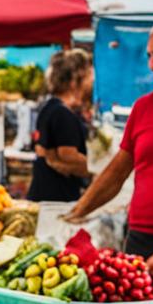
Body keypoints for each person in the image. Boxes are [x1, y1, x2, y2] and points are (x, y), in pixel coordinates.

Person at [64, 17, 153, 298]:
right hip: (139, 255)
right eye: (150, 56)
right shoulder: (145, 108)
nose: (152, 65)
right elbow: (116, 173)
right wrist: (75, 214)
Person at [27, 49, 92, 202]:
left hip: (46, 196)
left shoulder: (50, 107)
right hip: (56, 200)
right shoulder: (62, 114)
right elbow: (67, 157)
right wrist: (100, 168)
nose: (92, 80)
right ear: (76, 77)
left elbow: (51, 155)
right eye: (89, 74)